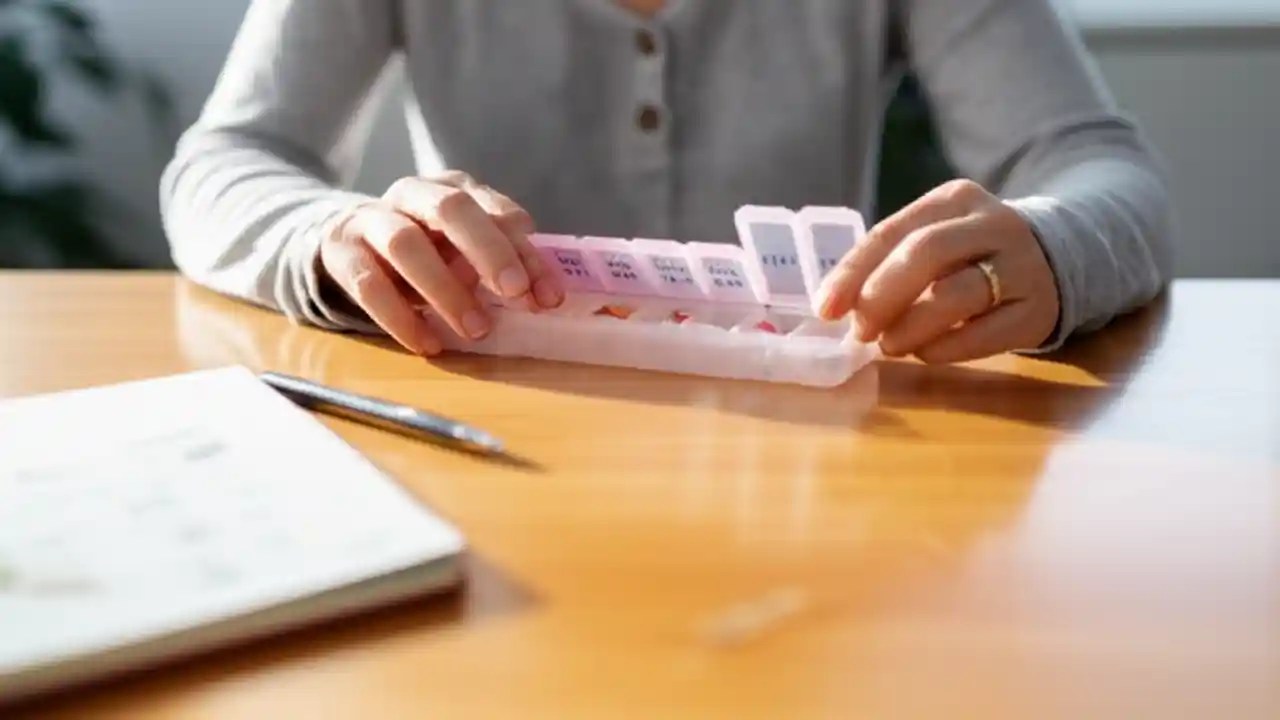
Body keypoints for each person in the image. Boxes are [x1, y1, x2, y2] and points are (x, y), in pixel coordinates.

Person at [161, 0, 1172, 364]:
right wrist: (329, 236)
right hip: (486, 431)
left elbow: (1096, 168)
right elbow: (226, 159)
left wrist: (1049, 246)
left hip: (816, 451)